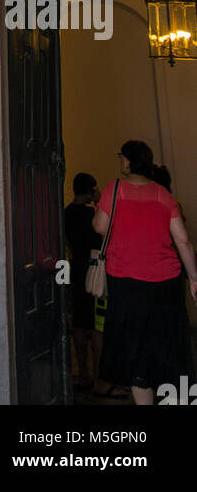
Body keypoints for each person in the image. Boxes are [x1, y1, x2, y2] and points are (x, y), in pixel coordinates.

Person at [93, 139, 197, 406]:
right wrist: (194, 278)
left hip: (127, 283)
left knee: (134, 350)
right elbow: (183, 240)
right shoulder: (163, 194)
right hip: (166, 284)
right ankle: (177, 398)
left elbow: (100, 227)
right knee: (167, 348)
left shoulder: (114, 189)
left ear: (127, 161)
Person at [64, 173, 106, 392]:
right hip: (95, 270)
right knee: (97, 326)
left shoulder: (66, 213)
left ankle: (82, 373)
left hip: (76, 269)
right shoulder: (93, 213)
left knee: (79, 325)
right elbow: (104, 234)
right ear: (90, 190)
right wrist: (99, 200)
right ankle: (99, 376)